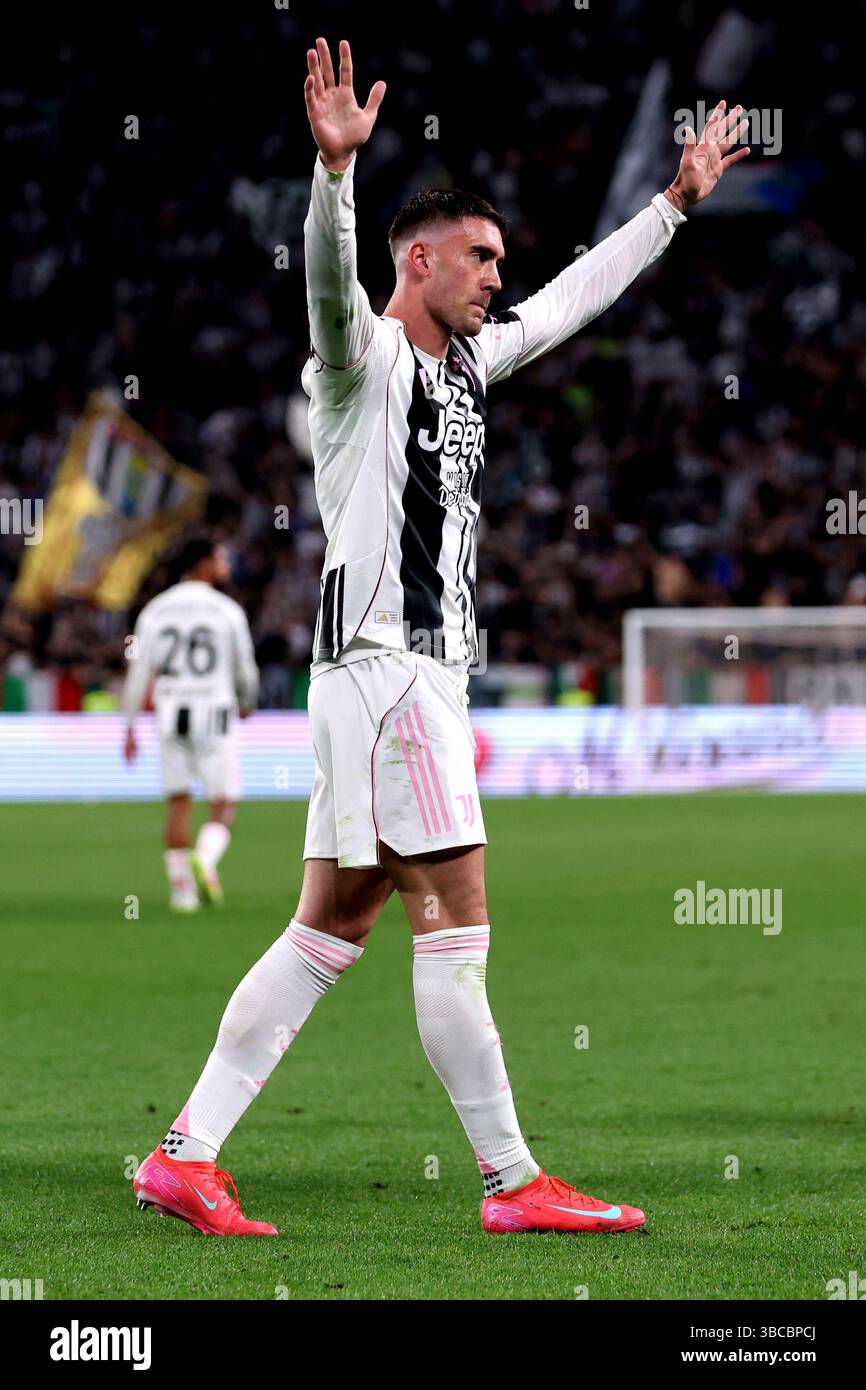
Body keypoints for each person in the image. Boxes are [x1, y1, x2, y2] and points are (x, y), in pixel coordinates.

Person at [132, 38, 748, 1236]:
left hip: (394, 685)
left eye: (496, 260)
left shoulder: (468, 366)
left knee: (329, 927)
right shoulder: (357, 360)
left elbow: (572, 298)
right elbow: (323, 283)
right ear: (415, 260)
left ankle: (185, 1154)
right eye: (476, 257)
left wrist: (670, 206)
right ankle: (512, 1183)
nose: (492, 276)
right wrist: (332, 177)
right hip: (389, 674)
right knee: (453, 922)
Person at [122, 535, 259, 912]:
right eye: (220, 557)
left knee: (178, 802)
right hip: (214, 713)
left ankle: (182, 893)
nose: (226, 563)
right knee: (224, 802)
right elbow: (244, 664)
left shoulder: (154, 611)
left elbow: (139, 672)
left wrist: (129, 726)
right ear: (202, 563)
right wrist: (248, 700)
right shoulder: (227, 610)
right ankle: (206, 857)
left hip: (170, 715)